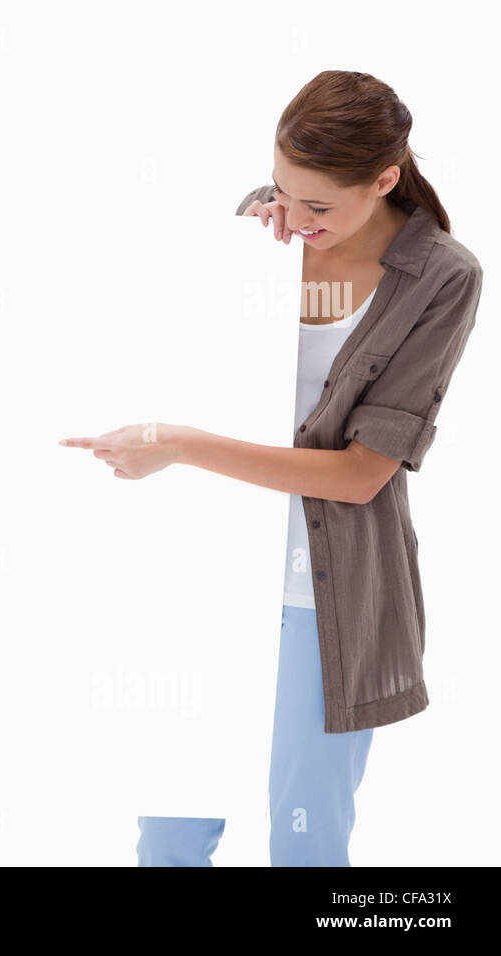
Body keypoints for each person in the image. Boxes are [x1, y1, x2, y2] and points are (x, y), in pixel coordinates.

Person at [60, 70, 482, 865]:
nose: (294, 215)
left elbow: (362, 476)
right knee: (171, 834)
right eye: (284, 190)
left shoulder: (443, 278)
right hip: (210, 564)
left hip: (322, 589)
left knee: (306, 839)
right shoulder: (258, 234)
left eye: (318, 205)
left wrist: (178, 444)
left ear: (385, 179)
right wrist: (239, 255)